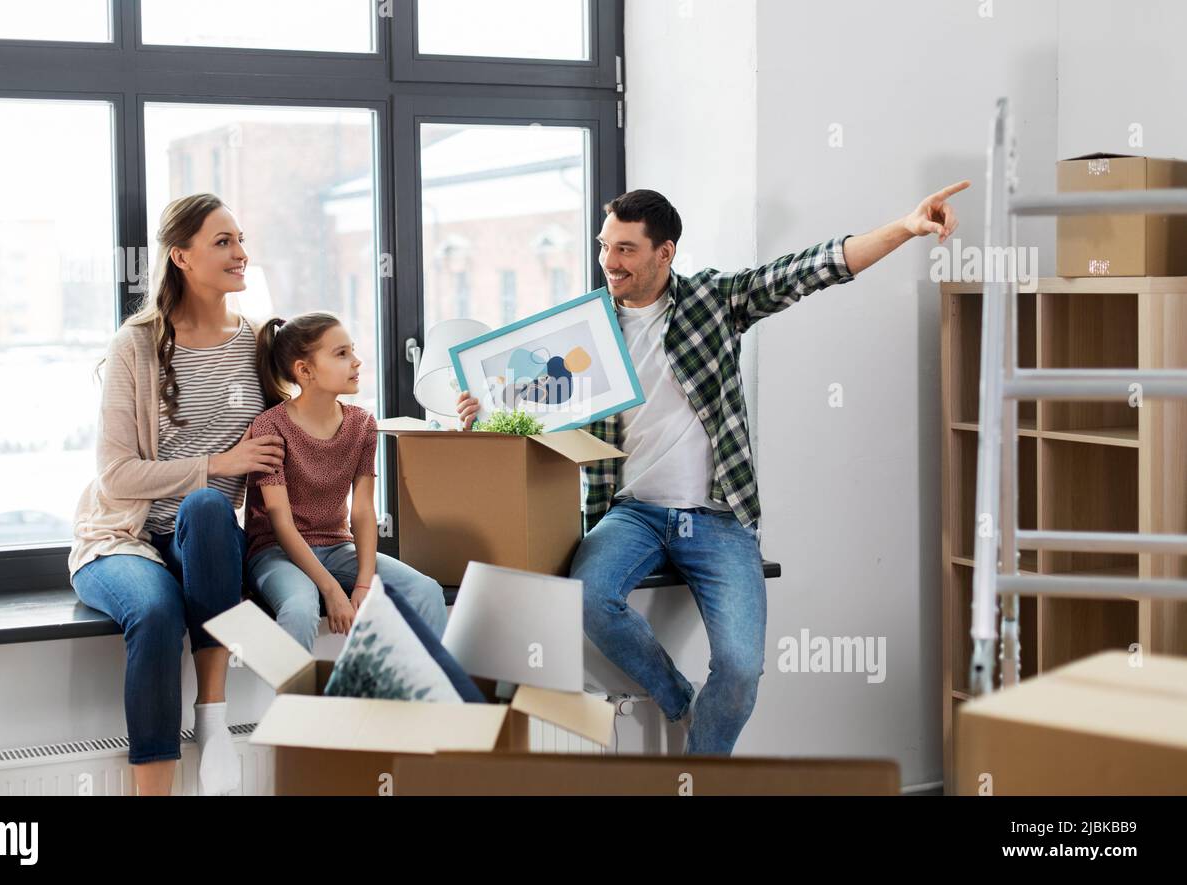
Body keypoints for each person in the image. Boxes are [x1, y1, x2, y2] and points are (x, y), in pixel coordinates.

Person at [458, 183, 968, 755]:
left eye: (625, 249)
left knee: (742, 668)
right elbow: (529, 409)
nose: (609, 261)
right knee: (588, 596)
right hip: (631, 514)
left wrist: (906, 226)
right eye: (604, 245)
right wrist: (484, 410)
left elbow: (813, 267)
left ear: (665, 253)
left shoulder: (713, 302)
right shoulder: (587, 332)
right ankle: (681, 700)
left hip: (718, 518)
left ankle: (700, 774)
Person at [69, 193, 285, 795]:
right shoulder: (136, 345)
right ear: (181, 257)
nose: (240, 253)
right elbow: (116, 475)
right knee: (157, 613)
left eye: (240, 240)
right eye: (222, 242)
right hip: (123, 539)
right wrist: (220, 463)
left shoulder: (258, 342)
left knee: (210, 507)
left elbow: (311, 422)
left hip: (203, 541)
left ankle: (212, 719)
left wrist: (460, 417)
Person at [245, 311, 448, 652]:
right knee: (299, 609)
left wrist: (364, 585)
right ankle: (294, 690)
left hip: (338, 547)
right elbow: (281, 523)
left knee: (426, 590)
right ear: (304, 371)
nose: (356, 361)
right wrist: (331, 591)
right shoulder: (270, 426)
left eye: (352, 350)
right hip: (277, 552)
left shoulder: (362, 424)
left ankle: (429, 686)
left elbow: (363, 511)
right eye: (341, 354)